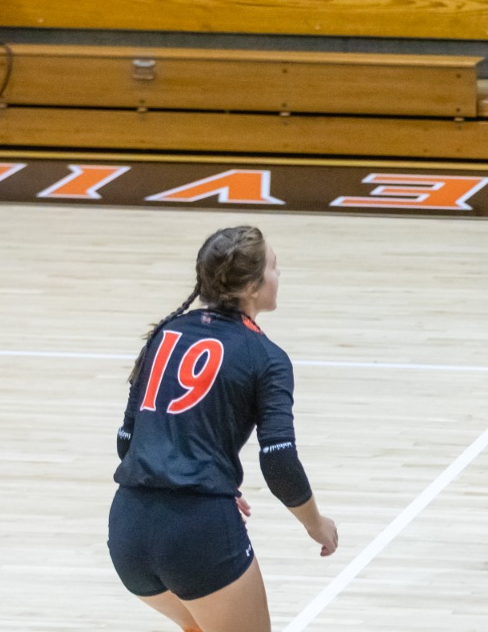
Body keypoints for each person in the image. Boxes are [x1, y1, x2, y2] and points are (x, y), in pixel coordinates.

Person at [109, 225, 339, 630]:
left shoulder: (164, 334)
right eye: (273, 267)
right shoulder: (266, 357)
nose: (278, 276)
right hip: (198, 534)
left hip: (129, 529)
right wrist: (316, 525)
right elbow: (279, 461)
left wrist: (204, 478)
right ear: (251, 286)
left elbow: (127, 442)